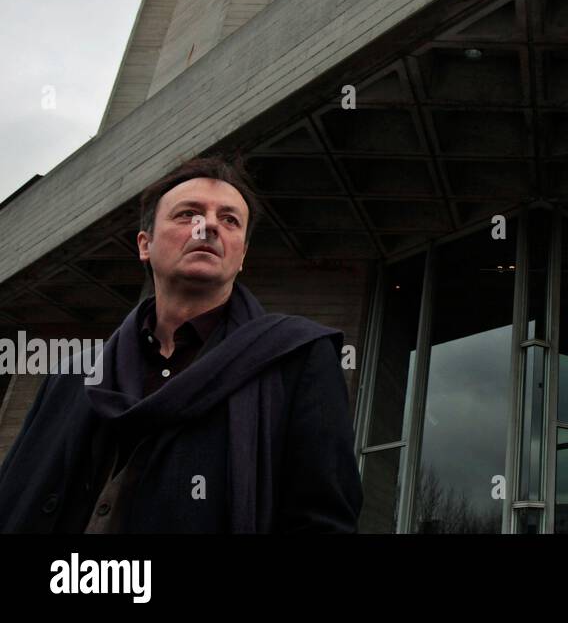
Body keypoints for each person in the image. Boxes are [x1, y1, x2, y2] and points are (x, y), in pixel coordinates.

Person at [0, 155, 362, 532]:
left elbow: (323, 522)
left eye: (229, 220)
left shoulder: (298, 358)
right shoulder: (73, 374)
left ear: (242, 257)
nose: (208, 227)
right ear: (145, 244)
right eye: (188, 214)